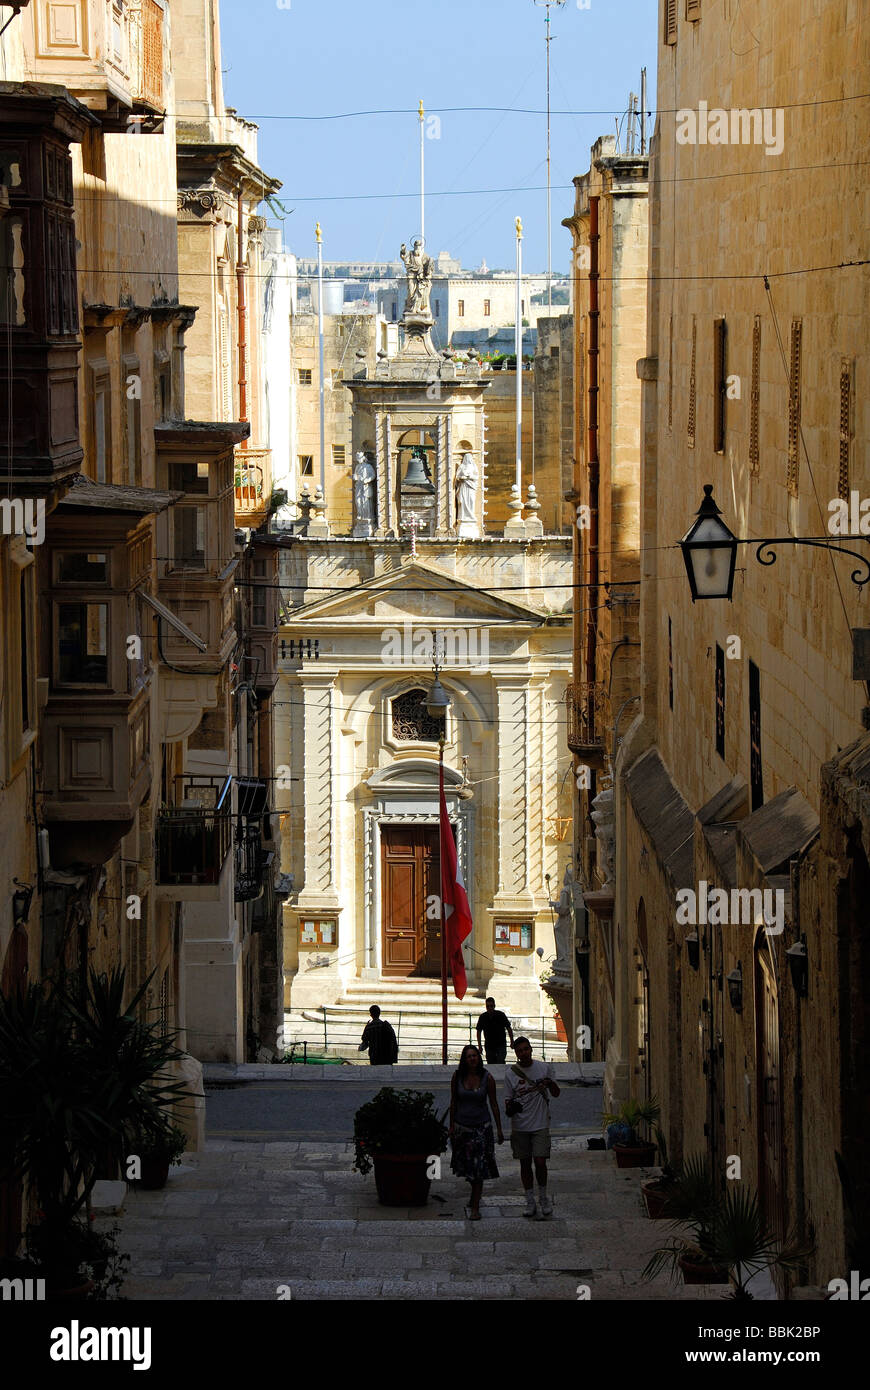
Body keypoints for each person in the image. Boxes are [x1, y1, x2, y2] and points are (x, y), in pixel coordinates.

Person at [504, 1036, 560, 1219]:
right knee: (525, 1164)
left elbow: (556, 1093)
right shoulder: (511, 1074)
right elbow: (507, 1103)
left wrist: (549, 1083)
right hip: (520, 1126)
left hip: (540, 1123)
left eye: (526, 1049)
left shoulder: (544, 1068)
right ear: (516, 1053)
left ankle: (543, 1197)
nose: (523, 1053)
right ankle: (529, 1200)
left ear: (531, 1049)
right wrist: (512, 1108)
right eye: (519, 1051)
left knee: (541, 1161)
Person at [449, 1043, 503, 1220]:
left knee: (479, 1168)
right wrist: (451, 1126)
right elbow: (453, 1103)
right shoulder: (457, 1076)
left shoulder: (488, 1078)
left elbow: (494, 1104)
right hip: (462, 1128)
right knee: (467, 1168)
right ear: (464, 1060)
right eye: (469, 1056)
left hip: (482, 1128)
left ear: (479, 1058)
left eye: (475, 1055)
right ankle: (474, 1195)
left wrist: (500, 1129)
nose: (472, 1058)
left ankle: (475, 1205)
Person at [476, 997, 514, 1065]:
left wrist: (512, 1041)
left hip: (500, 1044)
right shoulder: (483, 1017)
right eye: (488, 1006)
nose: (490, 1008)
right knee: (491, 1064)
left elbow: (509, 1028)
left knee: (500, 1063)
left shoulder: (501, 1015)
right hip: (489, 1045)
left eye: (491, 1006)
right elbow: (479, 1031)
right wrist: (479, 1046)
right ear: (486, 1007)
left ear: (494, 1006)